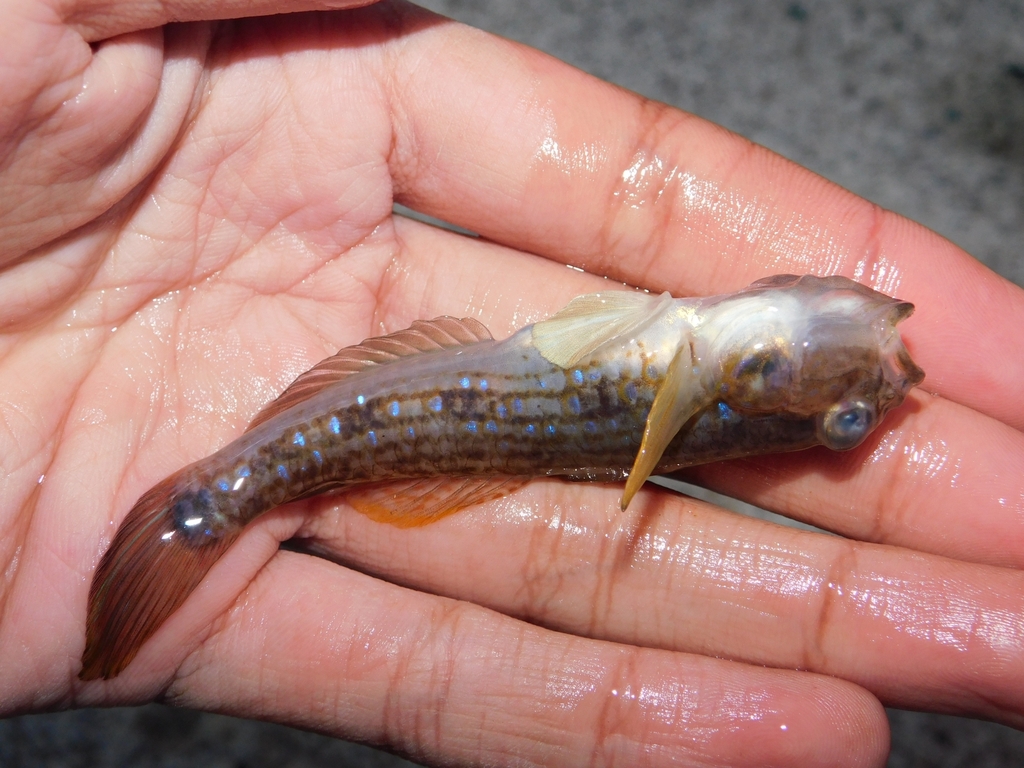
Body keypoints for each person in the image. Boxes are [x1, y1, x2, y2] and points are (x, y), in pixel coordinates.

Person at [1, 1, 1022, 766]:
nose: (874, 387)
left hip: (443, 419)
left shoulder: (704, 373)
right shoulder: (709, 359)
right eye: (850, 411)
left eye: (842, 421)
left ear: (752, 382)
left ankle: (213, 511)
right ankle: (216, 509)